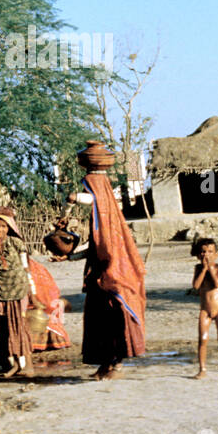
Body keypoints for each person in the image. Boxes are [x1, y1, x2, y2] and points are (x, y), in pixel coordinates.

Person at [69, 153, 147, 380]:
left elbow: (96, 200)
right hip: (99, 278)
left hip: (114, 279)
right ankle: (104, 364)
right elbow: (93, 249)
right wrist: (69, 258)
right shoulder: (99, 226)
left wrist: (74, 197)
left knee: (115, 321)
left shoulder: (110, 225)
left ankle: (117, 365)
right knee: (98, 323)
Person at [0, 210, 40, 378]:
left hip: (18, 291)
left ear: (9, 228)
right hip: (2, 291)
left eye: (3, 227)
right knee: (6, 329)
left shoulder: (17, 243)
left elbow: (26, 268)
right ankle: (16, 365)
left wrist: (33, 293)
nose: (0, 230)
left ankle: (28, 365)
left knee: (19, 327)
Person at [189, 238, 218, 378]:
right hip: (205, 309)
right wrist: (203, 269)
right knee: (202, 339)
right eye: (203, 252)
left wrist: (210, 268)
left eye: (209, 252)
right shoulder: (198, 269)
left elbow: (216, 284)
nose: (206, 254)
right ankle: (202, 369)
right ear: (198, 255)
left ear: (216, 255)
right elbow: (196, 286)